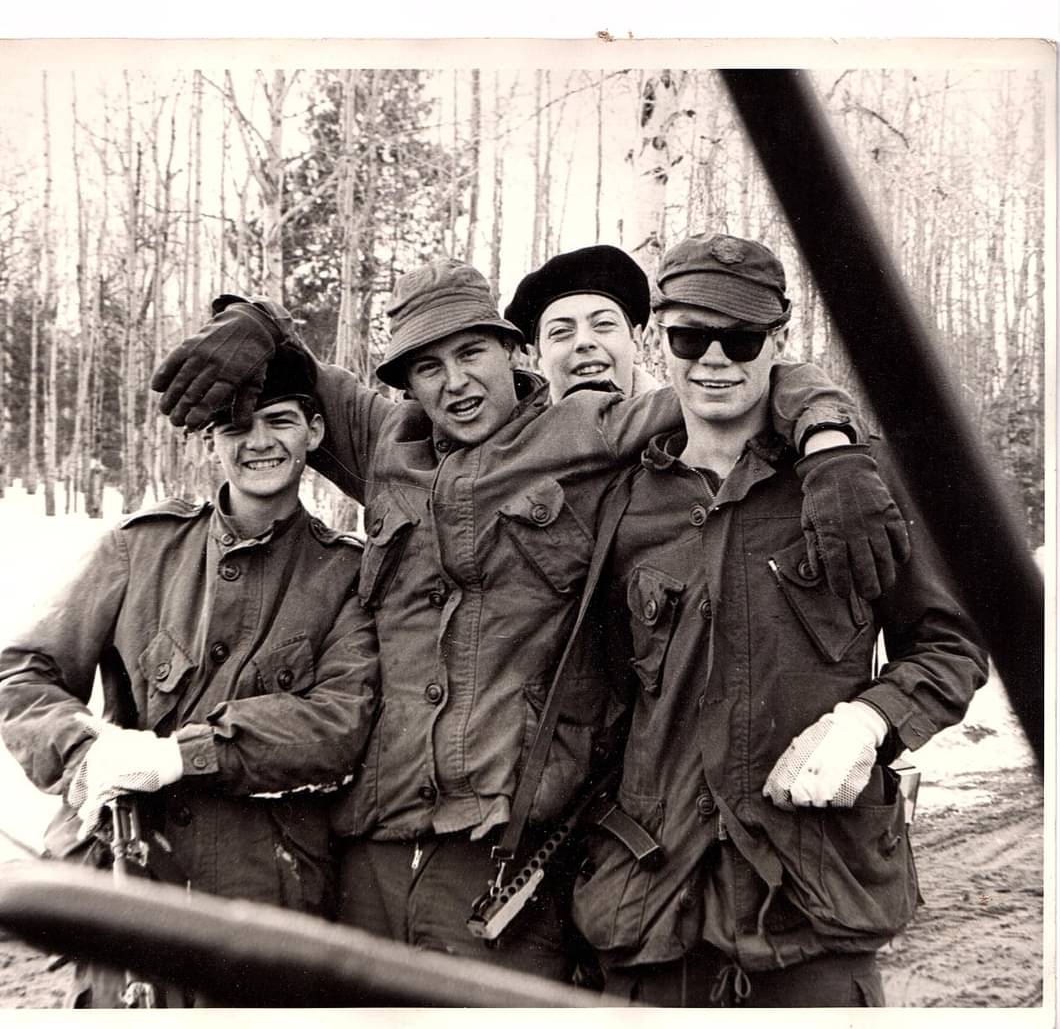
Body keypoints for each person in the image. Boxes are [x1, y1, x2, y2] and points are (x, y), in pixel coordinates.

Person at [147, 257, 908, 983]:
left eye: (472, 352)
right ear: (407, 383)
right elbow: (295, 363)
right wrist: (247, 319)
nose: (456, 382)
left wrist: (830, 440)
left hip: (505, 863)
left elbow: (735, 378)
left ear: (512, 352)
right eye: (428, 367)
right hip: (368, 850)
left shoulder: (591, 432)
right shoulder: (386, 440)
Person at [570, 234, 988, 1008]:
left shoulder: (859, 481)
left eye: (743, 337)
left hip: (814, 910)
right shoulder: (620, 501)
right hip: (655, 916)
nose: (715, 359)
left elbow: (952, 644)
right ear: (660, 338)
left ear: (781, 341)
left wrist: (869, 722)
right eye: (691, 336)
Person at [0, 350, 379, 1007]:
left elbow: (340, 719)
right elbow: (23, 675)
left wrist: (179, 755)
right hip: (129, 893)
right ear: (209, 440)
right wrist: (87, 752)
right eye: (234, 426)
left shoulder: (346, 573)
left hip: (267, 909)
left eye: (279, 421)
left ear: (313, 434)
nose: (258, 442)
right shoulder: (141, 547)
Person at [504, 244, 657, 400]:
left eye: (604, 324)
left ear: (637, 342)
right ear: (535, 358)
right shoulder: (520, 425)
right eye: (560, 331)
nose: (584, 341)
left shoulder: (679, 419)